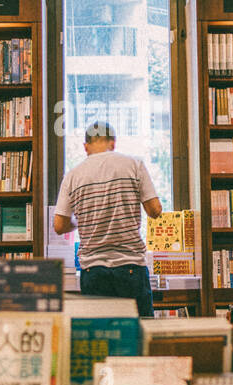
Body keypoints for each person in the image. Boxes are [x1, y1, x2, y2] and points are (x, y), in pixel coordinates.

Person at [53, 121, 163, 316]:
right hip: (131, 267)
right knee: (140, 338)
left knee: (102, 341)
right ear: (113, 143)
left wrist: (83, 220)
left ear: (85, 147)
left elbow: (59, 226)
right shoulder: (134, 165)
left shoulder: (72, 175)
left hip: (93, 271)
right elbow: (155, 210)